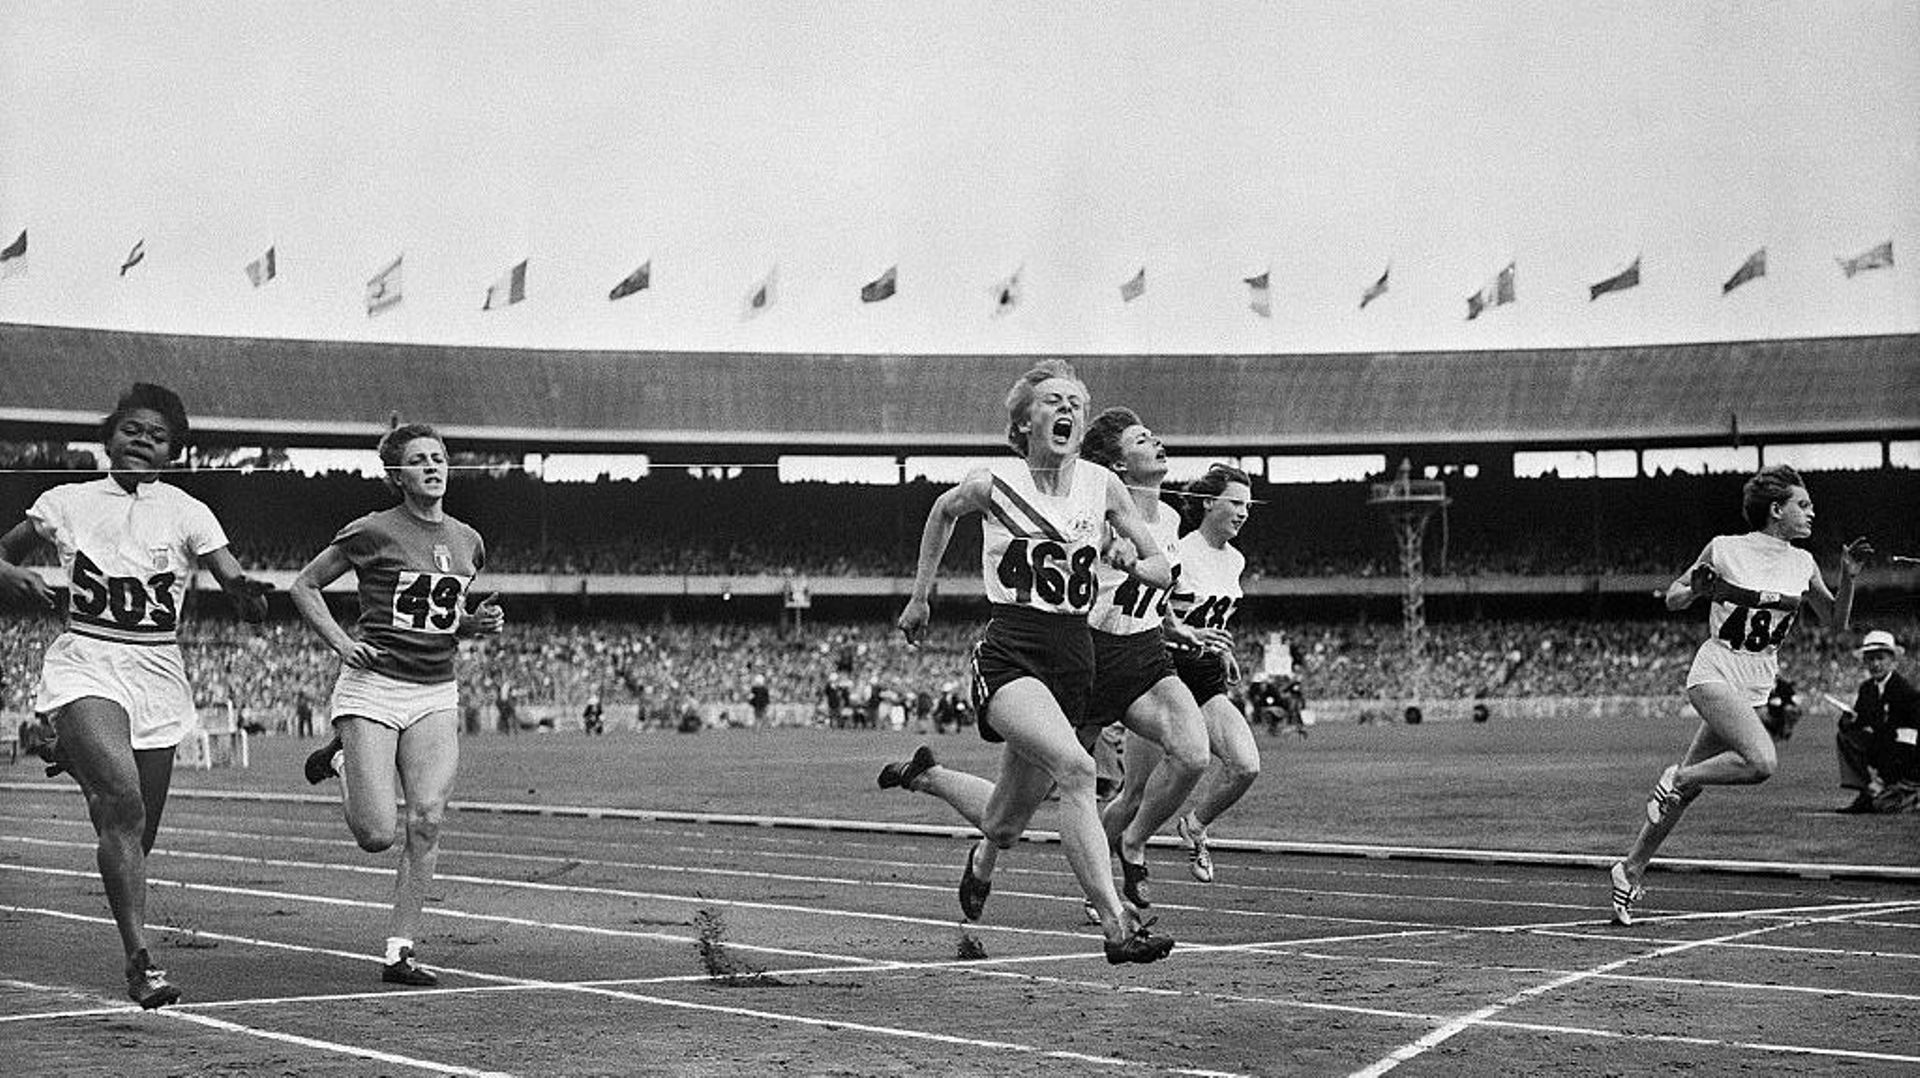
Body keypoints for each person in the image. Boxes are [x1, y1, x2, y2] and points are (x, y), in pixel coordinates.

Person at [879, 360, 1177, 964]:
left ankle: (925, 776)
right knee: (1076, 768)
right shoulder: (994, 481)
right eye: (1051, 401)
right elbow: (941, 512)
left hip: (1075, 659)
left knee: (1004, 826)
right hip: (1013, 651)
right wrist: (919, 598)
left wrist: (1125, 557)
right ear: (1024, 422)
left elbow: (1161, 570)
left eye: (1075, 401)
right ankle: (1119, 929)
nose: (1066, 409)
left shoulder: (1104, 486)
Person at [0, 383, 272, 1008]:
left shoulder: (188, 510)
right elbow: (3, 555)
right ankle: (139, 961)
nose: (143, 440)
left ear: (172, 449)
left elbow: (232, 576)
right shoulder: (64, 501)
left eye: (158, 434)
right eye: (133, 429)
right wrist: (11, 573)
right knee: (121, 806)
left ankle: (75, 757)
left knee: (134, 834)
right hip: (88, 660)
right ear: (111, 435)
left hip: (156, 669)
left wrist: (246, 594)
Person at [290, 421, 504, 986]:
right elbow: (304, 586)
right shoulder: (372, 531)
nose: (432, 467)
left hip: (435, 689)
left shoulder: (468, 541)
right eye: (417, 460)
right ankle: (340, 758)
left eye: (438, 457)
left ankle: (400, 950)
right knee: (376, 834)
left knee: (428, 821)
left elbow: (436, 616)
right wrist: (341, 642)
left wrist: (471, 624)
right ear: (395, 475)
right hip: (375, 688)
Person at [1609, 465, 1870, 925]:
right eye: (1802, 505)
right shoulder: (1725, 548)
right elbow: (1673, 596)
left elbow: (1835, 622)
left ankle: (1629, 869)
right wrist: (1696, 593)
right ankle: (1680, 775)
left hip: (1755, 683)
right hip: (1715, 670)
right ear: (1776, 510)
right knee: (1760, 762)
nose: (1812, 513)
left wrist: (1848, 576)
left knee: (1683, 796)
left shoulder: (1803, 563)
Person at [1076, 407, 1211, 911]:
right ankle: (983, 855)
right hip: (1090, 656)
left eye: (1154, 435)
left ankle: (1131, 843)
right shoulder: (1096, 518)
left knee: (1192, 755)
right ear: (1117, 467)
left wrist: (1176, 625)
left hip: (1146, 653)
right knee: (1016, 808)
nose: (1157, 443)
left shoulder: (1173, 518)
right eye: (1141, 440)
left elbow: (1159, 590)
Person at [1161, 464, 1263, 886]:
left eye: (1247, 506)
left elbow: (1213, 617)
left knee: (1245, 766)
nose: (1243, 512)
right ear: (1208, 503)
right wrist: (1182, 632)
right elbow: (1154, 608)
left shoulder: (1235, 559)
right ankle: (1104, 887)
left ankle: (1196, 825)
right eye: (1235, 503)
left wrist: (1221, 651)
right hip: (1163, 676)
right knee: (1136, 798)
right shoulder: (1179, 552)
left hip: (1204, 677)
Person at [1835, 630, 1918, 814]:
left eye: (1880, 658)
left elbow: (1908, 742)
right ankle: (1866, 791)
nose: (1875, 664)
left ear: (1892, 660)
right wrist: (1847, 721)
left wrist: (1885, 777)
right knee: (1846, 736)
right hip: (1882, 751)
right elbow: (1858, 723)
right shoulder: (1867, 690)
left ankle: (1907, 794)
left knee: (1882, 806)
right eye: (1870, 659)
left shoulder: (1905, 692)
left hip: (1905, 762)